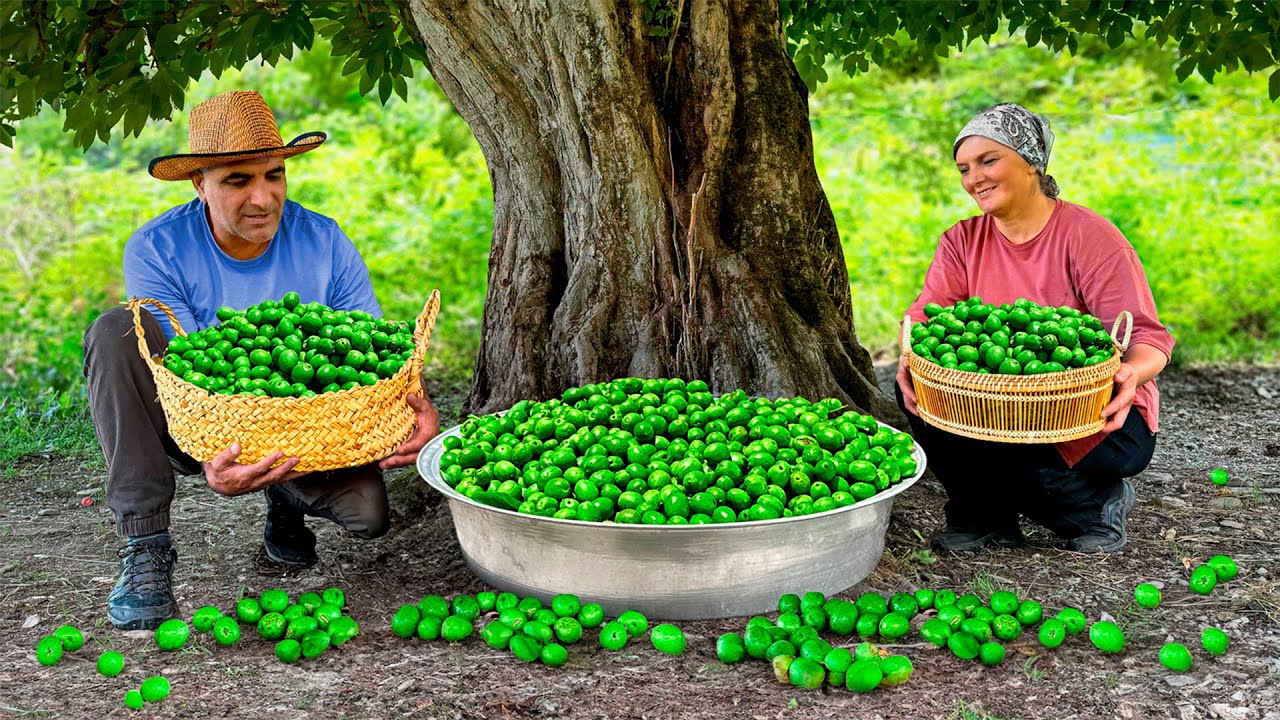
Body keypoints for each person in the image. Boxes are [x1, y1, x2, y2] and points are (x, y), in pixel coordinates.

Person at [82, 91, 440, 630]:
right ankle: (145, 546)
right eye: (237, 180)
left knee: (367, 515)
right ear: (199, 184)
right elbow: (193, 372)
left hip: (310, 428)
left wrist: (415, 411)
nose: (262, 198)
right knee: (113, 331)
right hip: (197, 420)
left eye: (273, 175)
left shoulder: (324, 240)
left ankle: (285, 502)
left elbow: (375, 351)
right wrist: (213, 461)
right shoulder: (157, 248)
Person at [896, 103, 1174, 555]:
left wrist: (1131, 375)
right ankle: (984, 516)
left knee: (1038, 471)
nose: (974, 179)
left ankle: (1098, 501)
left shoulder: (1091, 238)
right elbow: (925, 317)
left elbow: (1147, 337)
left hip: (1094, 409)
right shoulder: (962, 240)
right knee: (919, 390)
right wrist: (909, 360)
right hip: (999, 404)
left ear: (1031, 162)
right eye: (964, 168)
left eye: (989, 160)